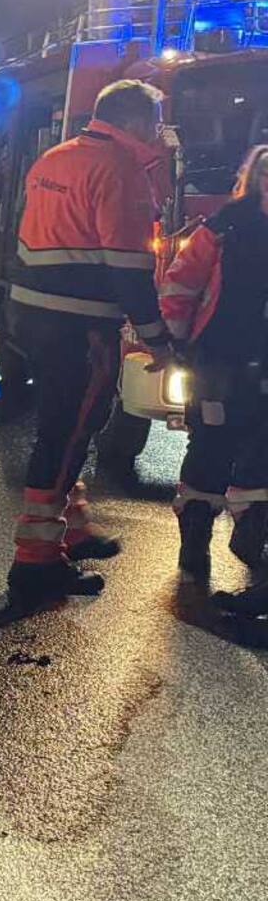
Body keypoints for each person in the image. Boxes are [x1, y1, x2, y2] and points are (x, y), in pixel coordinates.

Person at [3, 78, 177, 601]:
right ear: (134, 121)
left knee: (63, 422)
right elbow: (130, 269)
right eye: (156, 121)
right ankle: (35, 563)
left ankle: (72, 527)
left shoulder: (56, 157)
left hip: (31, 313)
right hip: (79, 325)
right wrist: (158, 340)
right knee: (70, 430)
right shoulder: (121, 169)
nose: (160, 132)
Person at [157, 142, 268, 603]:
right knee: (210, 448)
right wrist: (176, 343)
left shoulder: (223, 226)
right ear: (256, 179)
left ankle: (251, 541)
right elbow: (180, 285)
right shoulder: (221, 228)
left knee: (258, 454)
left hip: (245, 362)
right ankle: (195, 547)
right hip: (221, 361)